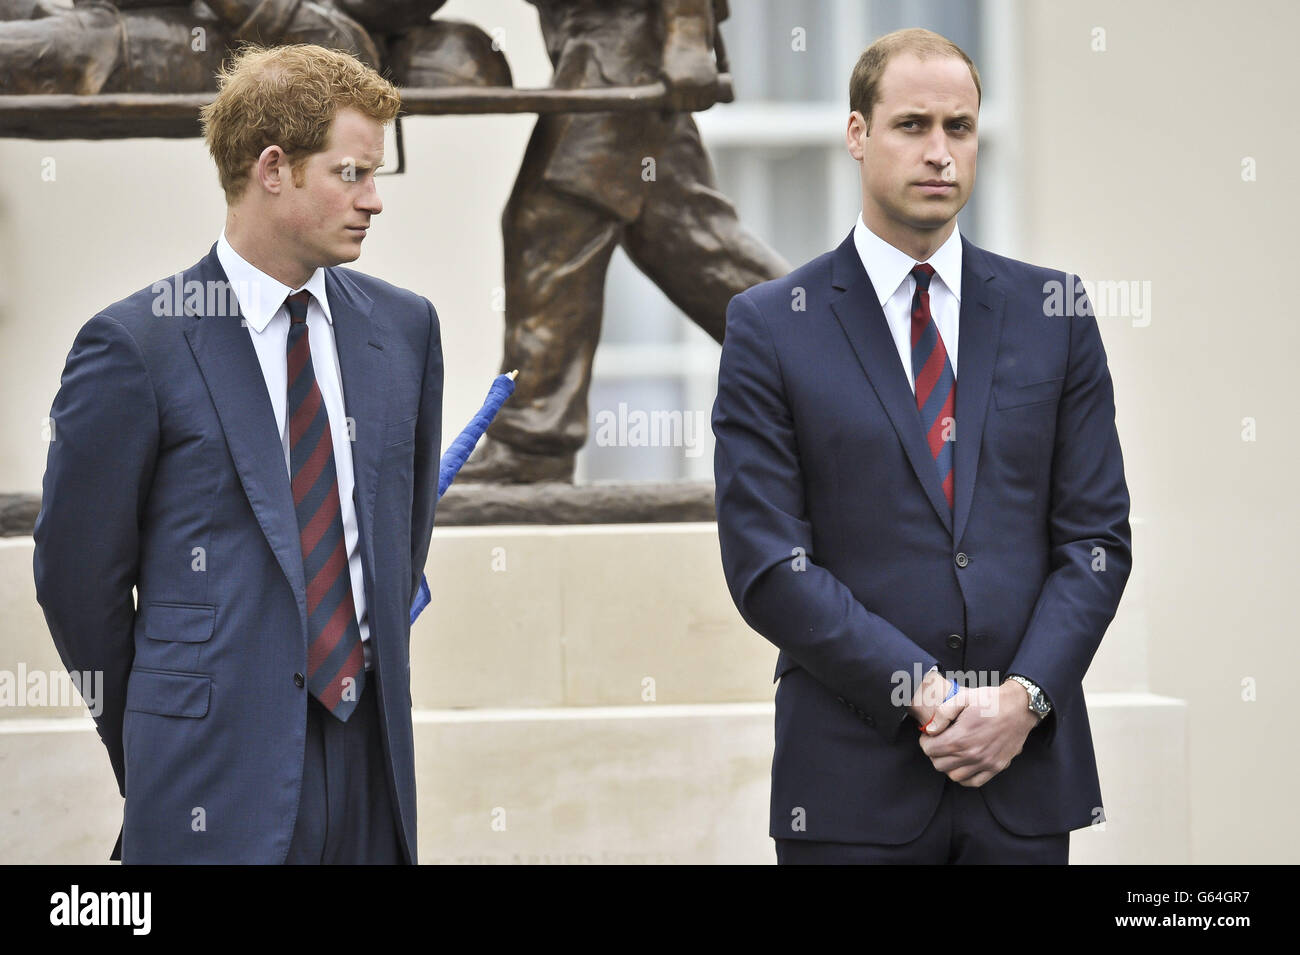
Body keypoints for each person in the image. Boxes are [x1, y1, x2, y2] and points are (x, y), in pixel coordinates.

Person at [712, 28, 1132, 864]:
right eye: (912, 125)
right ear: (857, 134)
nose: (940, 151)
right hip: (850, 788)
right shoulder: (770, 327)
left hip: (1022, 780)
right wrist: (926, 693)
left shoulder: (1055, 313)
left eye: (959, 127)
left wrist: (1024, 700)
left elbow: (1095, 541)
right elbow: (766, 563)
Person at [32, 44, 443, 864]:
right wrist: (158, 732)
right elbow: (78, 582)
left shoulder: (405, 329)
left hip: (372, 765)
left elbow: (403, 538)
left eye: (376, 175)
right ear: (273, 168)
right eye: (352, 173)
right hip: (208, 781)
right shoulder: (136, 345)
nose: (374, 200)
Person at [459, 0, 788, 483]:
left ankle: (534, 441)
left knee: (552, 224)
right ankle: (847, 364)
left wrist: (686, 29)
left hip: (620, 48)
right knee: (686, 237)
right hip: (607, 47)